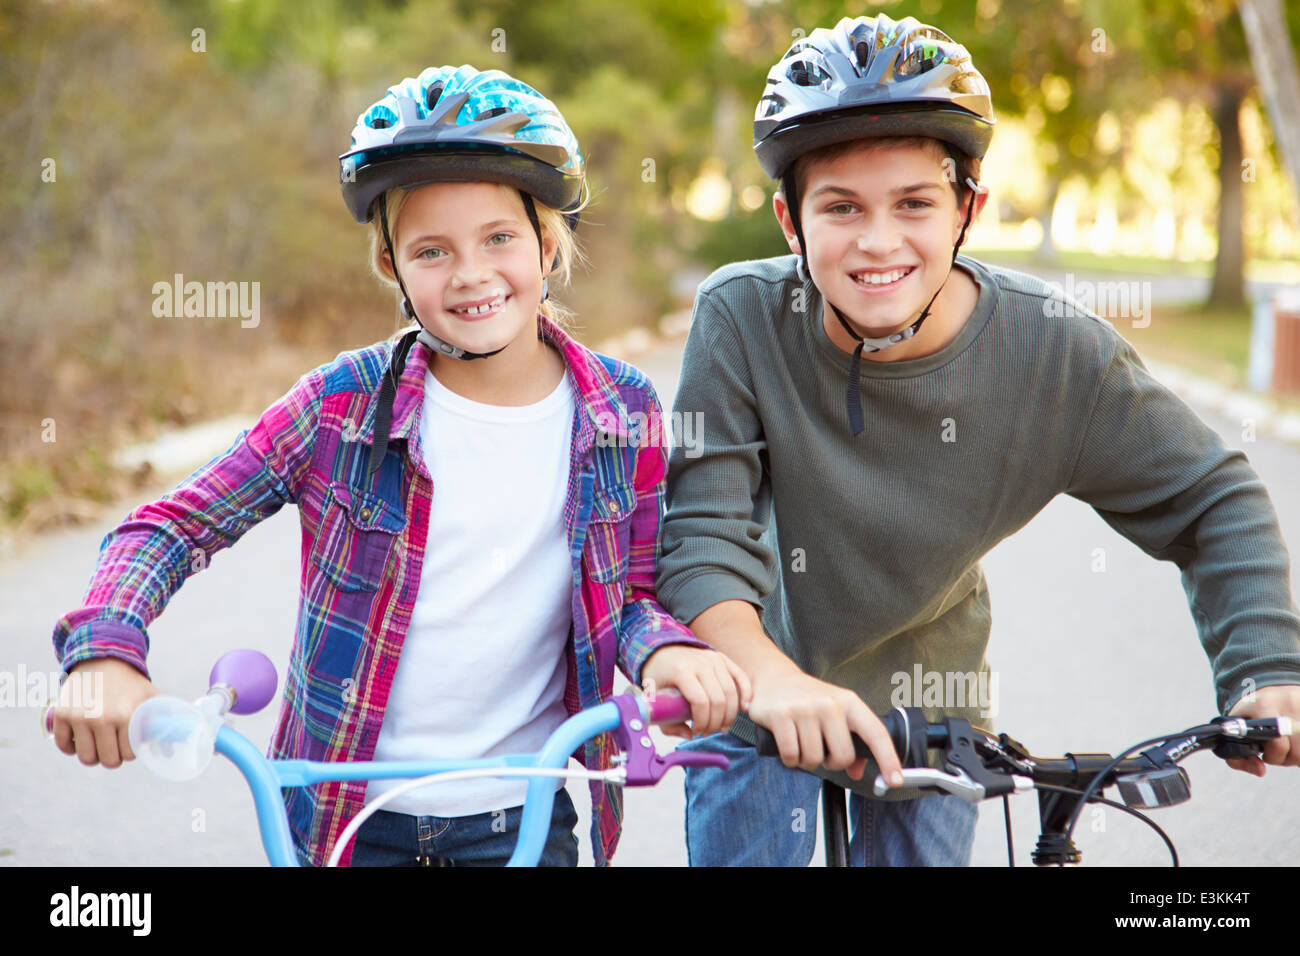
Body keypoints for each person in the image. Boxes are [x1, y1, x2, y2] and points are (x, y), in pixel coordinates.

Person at [49, 64, 748, 867]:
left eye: (500, 238)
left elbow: (625, 595)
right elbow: (168, 526)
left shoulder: (622, 410)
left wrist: (668, 651)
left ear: (548, 244)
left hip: (520, 817)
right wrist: (106, 650)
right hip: (348, 814)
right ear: (391, 267)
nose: (472, 274)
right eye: (432, 250)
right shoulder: (340, 404)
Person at [656, 14, 1300, 866]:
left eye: (915, 203)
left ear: (969, 209)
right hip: (761, 682)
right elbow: (701, 535)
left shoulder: (1052, 352)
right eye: (840, 207)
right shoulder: (741, 316)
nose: (878, 241)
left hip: (933, 706)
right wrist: (770, 682)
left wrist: (1266, 671)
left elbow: (1211, 499)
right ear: (788, 220)